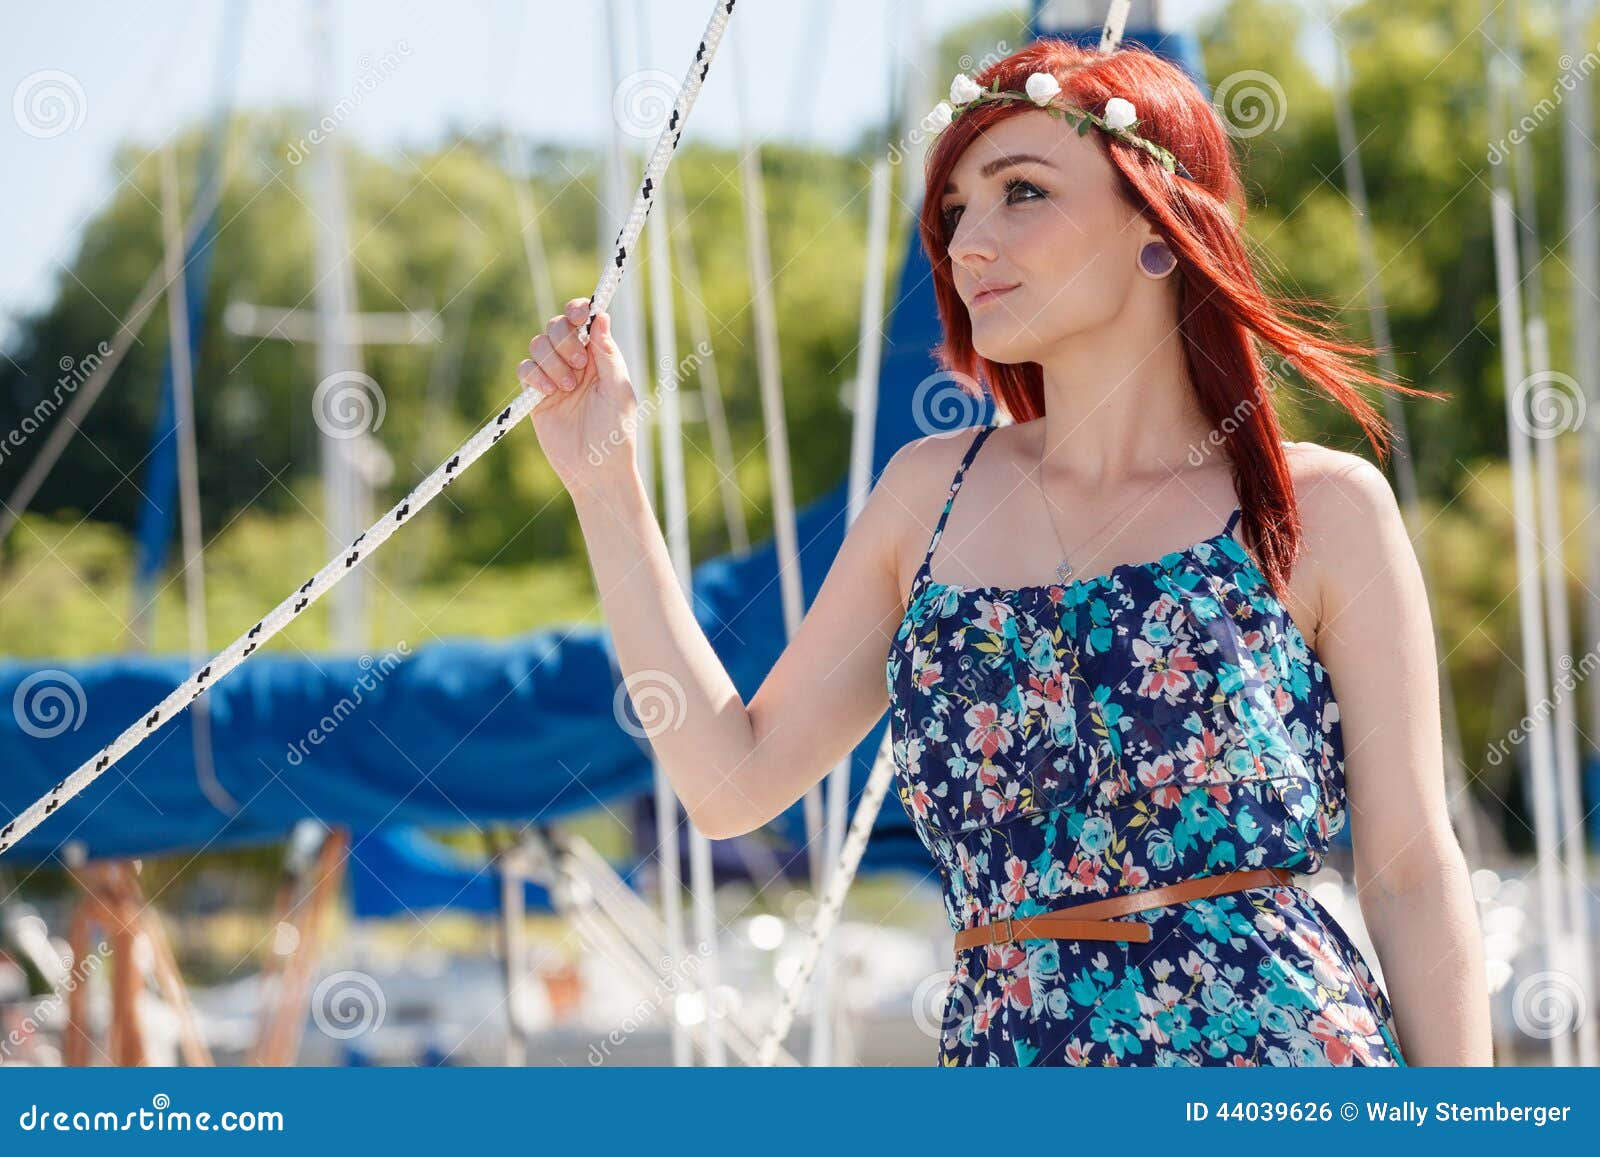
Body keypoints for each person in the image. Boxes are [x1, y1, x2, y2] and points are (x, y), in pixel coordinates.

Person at [518, 39, 1493, 1067]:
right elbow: (732, 784)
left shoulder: (1316, 508)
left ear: (1159, 229)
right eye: (952, 215)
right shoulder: (925, 497)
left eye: (1019, 192)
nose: (968, 242)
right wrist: (604, 483)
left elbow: (1408, 872)